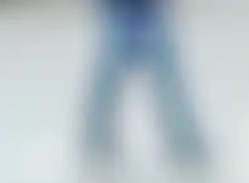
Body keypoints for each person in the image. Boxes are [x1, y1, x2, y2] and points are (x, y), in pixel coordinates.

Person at [83, 0, 207, 170]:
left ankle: (186, 144)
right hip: (122, 18)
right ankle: (97, 142)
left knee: (169, 84)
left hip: (149, 18)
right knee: (107, 84)